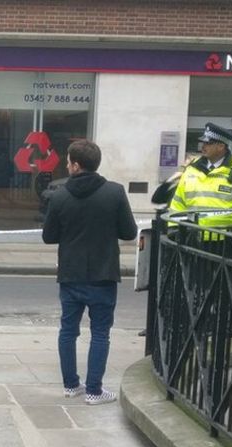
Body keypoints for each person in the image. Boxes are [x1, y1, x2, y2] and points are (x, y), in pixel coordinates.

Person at [42, 140, 138, 405]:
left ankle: (71, 385)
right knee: (100, 333)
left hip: (71, 274)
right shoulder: (115, 192)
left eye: (67, 161)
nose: (66, 165)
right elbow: (129, 232)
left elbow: (49, 237)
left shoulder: (59, 195)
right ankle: (95, 391)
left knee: (68, 330)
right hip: (103, 274)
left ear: (75, 164)